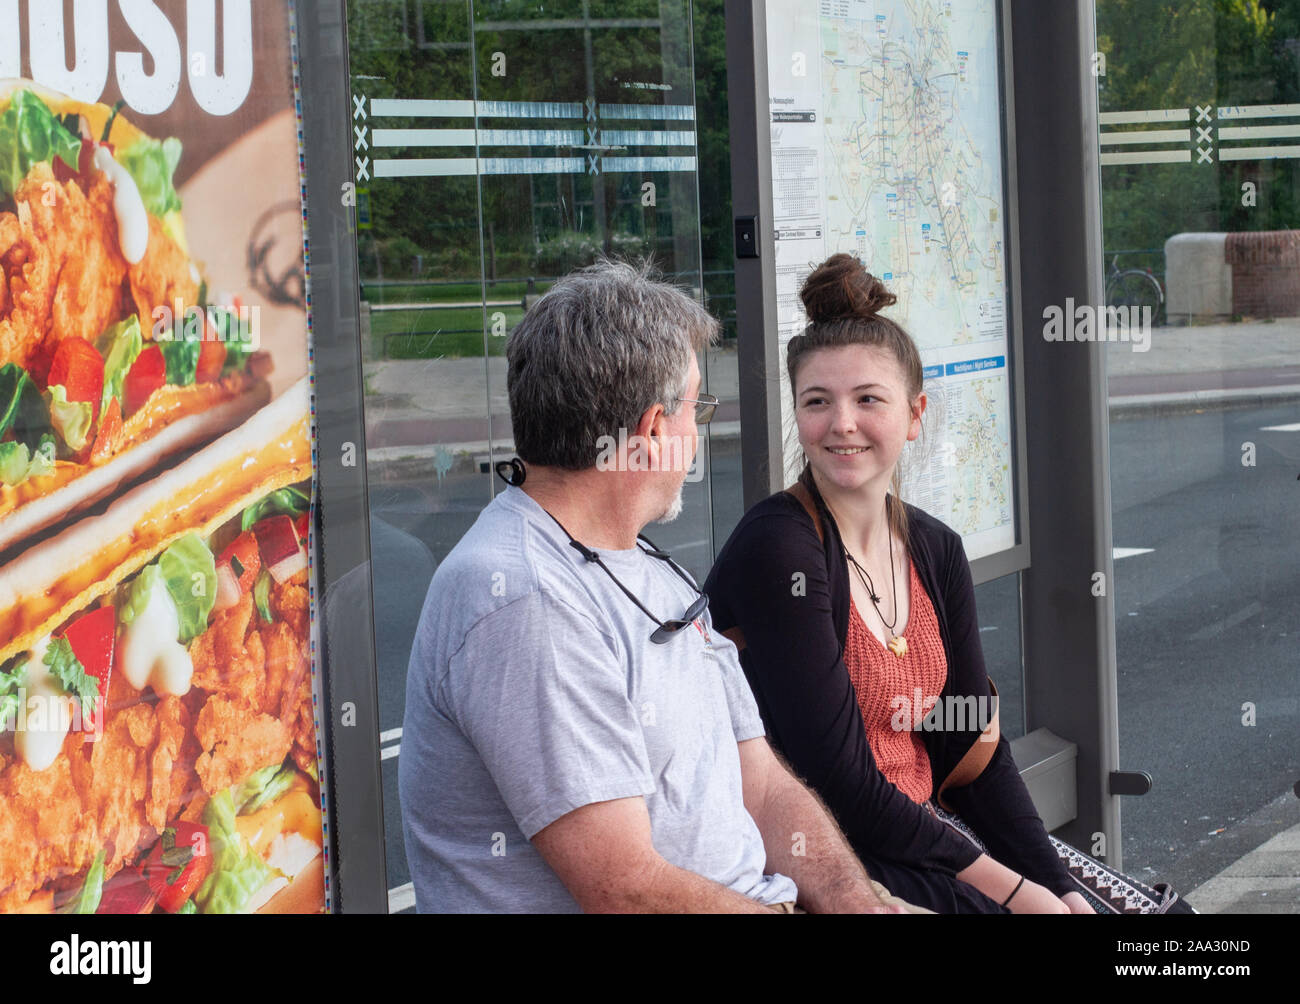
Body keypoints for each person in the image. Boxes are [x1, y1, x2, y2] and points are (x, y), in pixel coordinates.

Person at [398, 258, 926, 914]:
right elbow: (626, 890)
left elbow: (759, 783)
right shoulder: (525, 602)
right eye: (694, 409)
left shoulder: (647, 570)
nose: (697, 431)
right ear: (651, 432)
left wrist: (858, 903)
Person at [704, 253, 1186, 914]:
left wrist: (1060, 887)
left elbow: (972, 751)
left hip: (929, 835)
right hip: (834, 859)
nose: (841, 422)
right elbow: (842, 786)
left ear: (914, 414)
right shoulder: (779, 548)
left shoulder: (934, 549)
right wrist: (1015, 891)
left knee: (1150, 919)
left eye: (868, 399)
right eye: (818, 402)